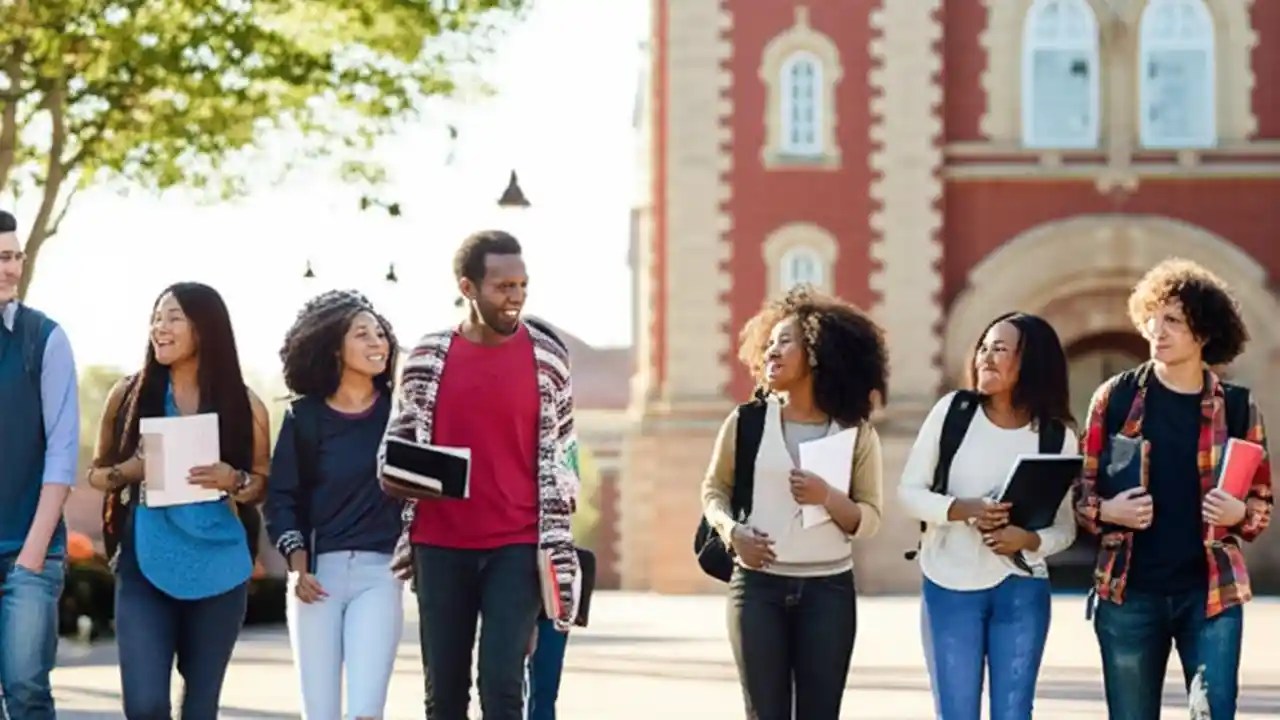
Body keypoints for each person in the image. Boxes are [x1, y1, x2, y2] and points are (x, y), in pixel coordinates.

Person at [379, 230, 581, 720]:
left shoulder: (549, 360)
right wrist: (410, 473)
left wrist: (558, 544)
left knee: (502, 687)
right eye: (502, 287)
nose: (515, 297)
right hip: (440, 544)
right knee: (444, 696)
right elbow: (394, 454)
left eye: (521, 285)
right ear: (468, 287)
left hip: (516, 545)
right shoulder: (426, 359)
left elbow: (565, 456)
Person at [1073, 259, 1272, 720]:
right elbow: (1082, 495)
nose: (1155, 331)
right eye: (1151, 318)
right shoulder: (1115, 398)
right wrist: (1109, 511)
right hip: (1128, 592)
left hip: (1212, 592)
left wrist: (1238, 515)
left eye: (1172, 321)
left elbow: (1262, 502)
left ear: (1203, 333)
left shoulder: (1238, 407)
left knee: (1213, 713)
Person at [700, 285, 887, 720]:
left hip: (829, 593)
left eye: (785, 341)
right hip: (756, 591)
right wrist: (732, 534)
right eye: (769, 343)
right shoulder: (745, 421)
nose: (771, 351)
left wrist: (828, 498)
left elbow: (871, 518)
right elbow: (714, 491)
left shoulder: (855, 432)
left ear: (817, 353)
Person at [87, 282, 270, 719]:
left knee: (200, 709)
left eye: (173, 317)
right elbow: (97, 475)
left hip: (219, 566)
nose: (159, 328)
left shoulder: (246, 405)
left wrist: (235, 479)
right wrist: (132, 469)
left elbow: (261, 481)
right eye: (156, 317)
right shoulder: (127, 395)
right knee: (147, 704)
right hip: (144, 560)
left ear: (205, 329)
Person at [898, 311, 1078, 720]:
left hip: (1022, 587)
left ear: (1031, 360)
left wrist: (1028, 540)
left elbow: (1064, 526)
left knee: (1014, 714)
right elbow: (909, 493)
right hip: (950, 583)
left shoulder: (1057, 435)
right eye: (983, 347)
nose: (986, 357)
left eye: (1000, 348)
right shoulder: (953, 413)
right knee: (956, 713)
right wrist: (965, 509)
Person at [265, 290, 406, 719]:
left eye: (379, 333)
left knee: (366, 712)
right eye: (361, 334)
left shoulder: (401, 416)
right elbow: (282, 498)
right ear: (334, 349)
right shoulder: (303, 419)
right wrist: (298, 563)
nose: (376, 342)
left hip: (379, 576)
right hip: (315, 580)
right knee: (320, 713)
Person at [0, 210, 79, 719]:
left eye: (15, 256)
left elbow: (63, 450)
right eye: (0, 258)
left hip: (29, 554)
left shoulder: (44, 338)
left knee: (27, 692)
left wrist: (33, 550)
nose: (12, 268)